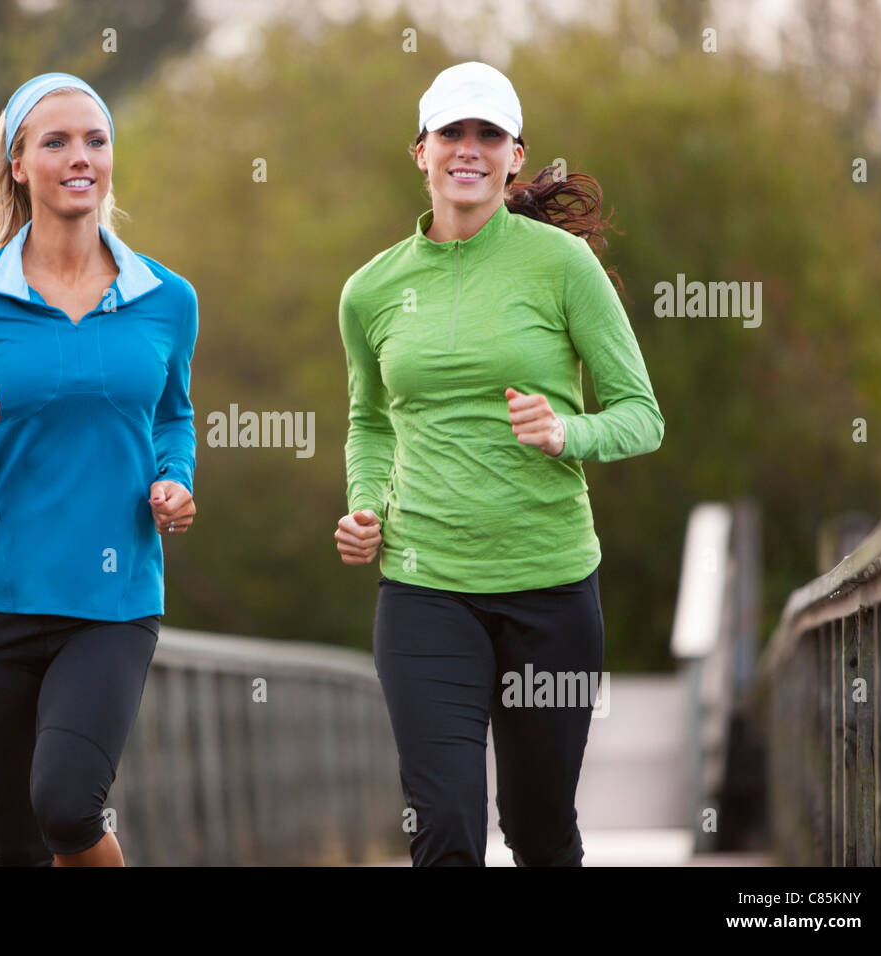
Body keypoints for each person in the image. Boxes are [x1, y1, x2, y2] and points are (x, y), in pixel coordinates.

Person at [334, 61, 664, 866]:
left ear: (516, 155)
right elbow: (369, 421)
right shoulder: (370, 292)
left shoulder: (560, 266)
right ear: (421, 150)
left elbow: (641, 416)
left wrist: (567, 434)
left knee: (539, 829)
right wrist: (365, 503)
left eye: (489, 134)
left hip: (549, 585)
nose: (469, 149)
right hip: (424, 588)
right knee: (444, 826)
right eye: (453, 132)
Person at [0, 72, 199, 867]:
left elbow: (173, 416)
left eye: (95, 139)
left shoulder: (167, 298)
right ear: (17, 164)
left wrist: (176, 478)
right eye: (55, 141)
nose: (79, 156)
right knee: (13, 844)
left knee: (66, 805)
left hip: (112, 601)